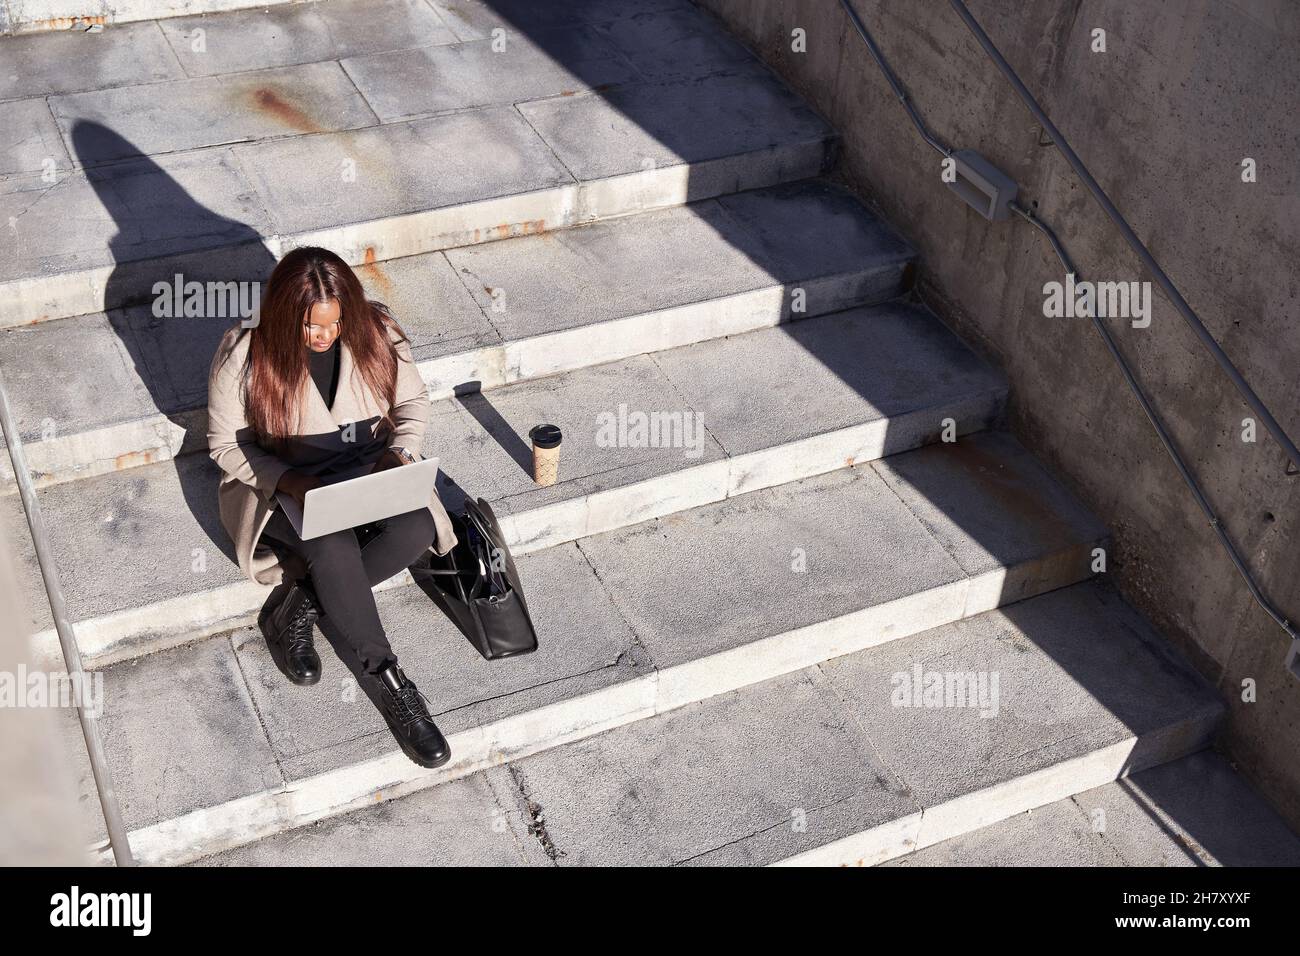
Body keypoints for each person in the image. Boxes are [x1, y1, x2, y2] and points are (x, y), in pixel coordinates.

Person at [206, 245, 457, 769]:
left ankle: (298, 606)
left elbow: (413, 403)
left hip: (367, 470)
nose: (324, 337)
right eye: (311, 327)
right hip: (285, 488)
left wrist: (398, 453)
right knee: (332, 545)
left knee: (415, 528)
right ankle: (390, 682)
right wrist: (288, 479)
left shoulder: (376, 331)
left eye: (334, 324)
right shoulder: (244, 352)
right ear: (282, 314)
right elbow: (226, 446)